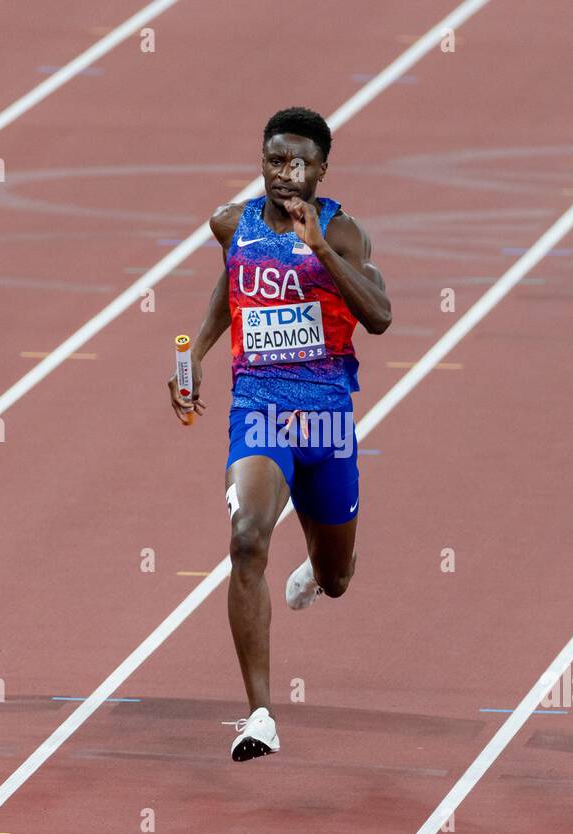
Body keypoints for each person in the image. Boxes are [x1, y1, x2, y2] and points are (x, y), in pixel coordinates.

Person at [168, 107, 391, 760]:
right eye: (274, 160)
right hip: (259, 410)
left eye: (300, 163)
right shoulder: (231, 223)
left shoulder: (343, 232)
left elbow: (379, 315)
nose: (286, 173)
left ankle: (322, 573)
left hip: (325, 417)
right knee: (245, 539)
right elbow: (231, 283)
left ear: (323, 169)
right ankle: (260, 712)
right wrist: (195, 357)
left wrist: (320, 249)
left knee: (338, 573)